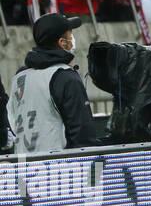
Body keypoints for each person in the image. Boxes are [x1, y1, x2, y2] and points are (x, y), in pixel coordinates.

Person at [6, 13, 95, 153]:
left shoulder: (19, 77)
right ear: (62, 43)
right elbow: (83, 135)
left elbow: (11, 122)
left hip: (23, 167)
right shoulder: (66, 77)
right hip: (57, 169)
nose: (72, 38)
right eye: (70, 34)